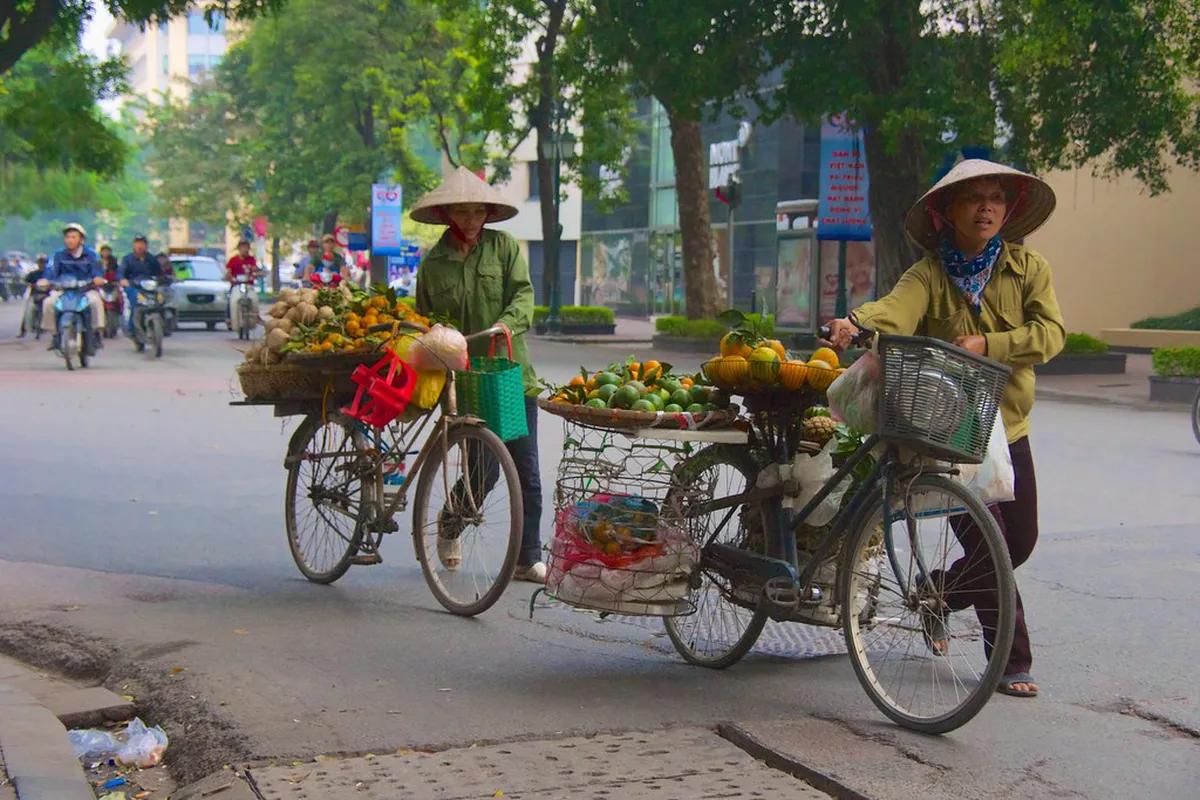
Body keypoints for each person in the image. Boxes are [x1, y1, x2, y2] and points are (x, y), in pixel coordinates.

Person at [825, 158, 1065, 699]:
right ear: (947, 212)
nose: (986, 208)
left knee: (1018, 542)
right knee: (990, 539)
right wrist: (855, 322)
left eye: (996, 199)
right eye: (974, 199)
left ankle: (939, 591)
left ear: (1009, 209)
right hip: (948, 430)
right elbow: (894, 309)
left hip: (1009, 425)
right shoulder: (929, 274)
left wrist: (989, 345)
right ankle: (1011, 659)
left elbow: (1051, 334)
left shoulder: (1029, 269)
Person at [410, 166, 545, 583]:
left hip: (510, 373)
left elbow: (523, 294)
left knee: (528, 474)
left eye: (477, 211)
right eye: (462, 212)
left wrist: (508, 322)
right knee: (482, 471)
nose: (470, 219)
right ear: (449, 214)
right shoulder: (434, 263)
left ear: (487, 212)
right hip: (465, 379)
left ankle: (528, 557)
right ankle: (451, 524)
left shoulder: (503, 248)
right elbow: (426, 318)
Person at [39, 223, 106, 349]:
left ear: (81, 239)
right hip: (63, 290)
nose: (70, 240)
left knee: (96, 302)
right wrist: (46, 280)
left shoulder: (91, 254)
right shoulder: (58, 254)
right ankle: (54, 335)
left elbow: (97, 271)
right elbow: (50, 270)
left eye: (73, 237)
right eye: (68, 237)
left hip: (85, 290)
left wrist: (97, 278)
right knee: (48, 303)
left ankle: (96, 333)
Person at [118, 235, 159, 335]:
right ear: (133, 246)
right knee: (135, 301)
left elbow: (159, 273)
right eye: (137, 244)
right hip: (133, 287)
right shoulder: (127, 259)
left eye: (142, 244)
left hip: (149, 287)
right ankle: (132, 327)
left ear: (146, 246)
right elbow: (120, 273)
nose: (140, 246)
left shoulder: (152, 259)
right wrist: (123, 280)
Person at [224, 239, 260, 329]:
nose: (245, 249)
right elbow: (228, 272)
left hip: (249, 285)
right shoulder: (233, 260)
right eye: (243, 247)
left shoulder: (252, 260)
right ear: (239, 248)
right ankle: (229, 318)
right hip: (236, 285)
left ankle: (255, 317)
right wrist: (230, 278)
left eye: (246, 247)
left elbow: (255, 270)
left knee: (254, 299)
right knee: (230, 299)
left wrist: (255, 274)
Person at [17, 254, 47, 337]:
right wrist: (29, 284)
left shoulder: (49, 274)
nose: (42, 264)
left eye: (43, 262)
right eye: (40, 262)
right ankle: (23, 331)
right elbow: (24, 280)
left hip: (47, 295)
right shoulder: (33, 274)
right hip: (34, 295)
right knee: (27, 310)